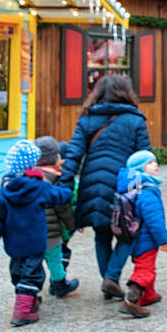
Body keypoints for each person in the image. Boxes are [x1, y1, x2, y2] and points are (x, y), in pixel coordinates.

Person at [58, 75, 151, 301]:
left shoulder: (87, 118)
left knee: (102, 233)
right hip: (124, 184)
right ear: (126, 92)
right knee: (127, 233)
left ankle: (108, 283)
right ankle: (111, 277)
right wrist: (147, 188)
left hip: (92, 182)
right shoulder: (135, 120)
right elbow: (145, 158)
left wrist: (65, 185)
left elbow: (73, 154)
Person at [0, 140, 72, 326]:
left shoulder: (4, 190)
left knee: (17, 272)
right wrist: (68, 185)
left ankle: (28, 299)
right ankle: (22, 312)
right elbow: (61, 196)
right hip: (35, 241)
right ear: (33, 163)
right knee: (32, 274)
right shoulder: (39, 186)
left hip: (13, 242)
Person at [117, 150, 167, 318]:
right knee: (145, 270)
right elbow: (155, 220)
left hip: (138, 237)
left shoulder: (137, 186)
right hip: (146, 239)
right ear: (140, 169)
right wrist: (163, 241)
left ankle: (149, 295)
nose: (155, 165)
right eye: (149, 163)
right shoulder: (147, 192)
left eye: (155, 161)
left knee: (147, 266)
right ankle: (131, 300)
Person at [34, 136, 79, 297]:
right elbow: (63, 206)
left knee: (34, 261)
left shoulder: (28, 177)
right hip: (51, 231)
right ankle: (59, 284)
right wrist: (73, 224)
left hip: (31, 230)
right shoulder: (57, 179)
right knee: (55, 258)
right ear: (55, 158)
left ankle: (29, 290)